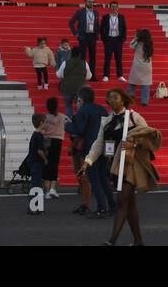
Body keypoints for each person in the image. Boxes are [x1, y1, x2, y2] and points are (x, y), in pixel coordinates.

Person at [81, 88, 158, 245]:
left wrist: (134, 142)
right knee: (130, 205)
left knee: (122, 200)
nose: (112, 100)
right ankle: (138, 241)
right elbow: (99, 144)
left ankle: (112, 241)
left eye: (115, 97)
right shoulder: (106, 121)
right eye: (109, 98)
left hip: (132, 164)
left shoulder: (134, 117)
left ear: (123, 99)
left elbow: (149, 135)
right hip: (116, 166)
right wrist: (88, 161)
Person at [67, 86, 113, 217]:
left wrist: (67, 125)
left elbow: (79, 129)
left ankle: (102, 207)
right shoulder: (101, 109)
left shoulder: (83, 111)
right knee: (104, 178)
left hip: (91, 149)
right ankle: (112, 205)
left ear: (81, 98)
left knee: (94, 179)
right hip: (103, 146)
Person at [42, 97, 67, 199]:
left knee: (47, 164)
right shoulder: (62, 117)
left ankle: (47, 191)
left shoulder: (45, 117)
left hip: (47, 141)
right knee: (54, 164)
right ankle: (53, 188)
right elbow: (70, 122)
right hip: (58, 141)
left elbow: (41, 129)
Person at [58, 45, 92, 116]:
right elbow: (89, 76)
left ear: (71, 53)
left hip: (67, 88)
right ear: (80, 54)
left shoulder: (65, 63)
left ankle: (70, 121)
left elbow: (59, 75)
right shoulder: (84, 63)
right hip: (80, 88)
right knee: (80, 106)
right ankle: (80, 120)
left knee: (68, 105)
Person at [69, 0, 101, 72]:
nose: (91, 3)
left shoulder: (96, 13)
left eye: (92, 2)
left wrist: (97, 33)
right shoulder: (80, 12)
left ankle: (92, 75)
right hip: (83, 36)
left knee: (92, 56)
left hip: (92, 37)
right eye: (89, 1)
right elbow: (71, 22)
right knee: (82, 56)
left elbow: (97, 24)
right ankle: (81, 73)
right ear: (85, 2)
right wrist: (76, 33)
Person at [26, 113, 49, 211]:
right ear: (41, 123)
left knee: (36, 184)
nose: (46, 124)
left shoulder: (35, 134)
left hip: (32, 161)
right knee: (36, 184)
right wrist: (45, 159)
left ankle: (35, 206)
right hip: (37, 162)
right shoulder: (39, 135)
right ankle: (33, 207)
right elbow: (40, 151)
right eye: (45, 122)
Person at [100, 0, 128, 81]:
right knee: (107, 58)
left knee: (118, 58)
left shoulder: (121, 17)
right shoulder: (105, 17)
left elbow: (124, 28)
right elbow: (102, 28)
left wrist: (123, 39)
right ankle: (106, 75)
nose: (114, 8)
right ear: (110, 7)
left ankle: (120, 75)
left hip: (118, 40)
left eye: (115, 6)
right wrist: (104, 39)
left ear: (118, 8)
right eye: (112, 6)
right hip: (108, 40)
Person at [129, 28, 154, 106]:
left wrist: (135, 38)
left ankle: (131, 95)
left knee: (132, 81)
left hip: (137, 65)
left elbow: (131, 46)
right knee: (146, 84)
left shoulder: (138, 43)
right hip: (147, 66)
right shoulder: (149, 44)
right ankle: (144, 101)